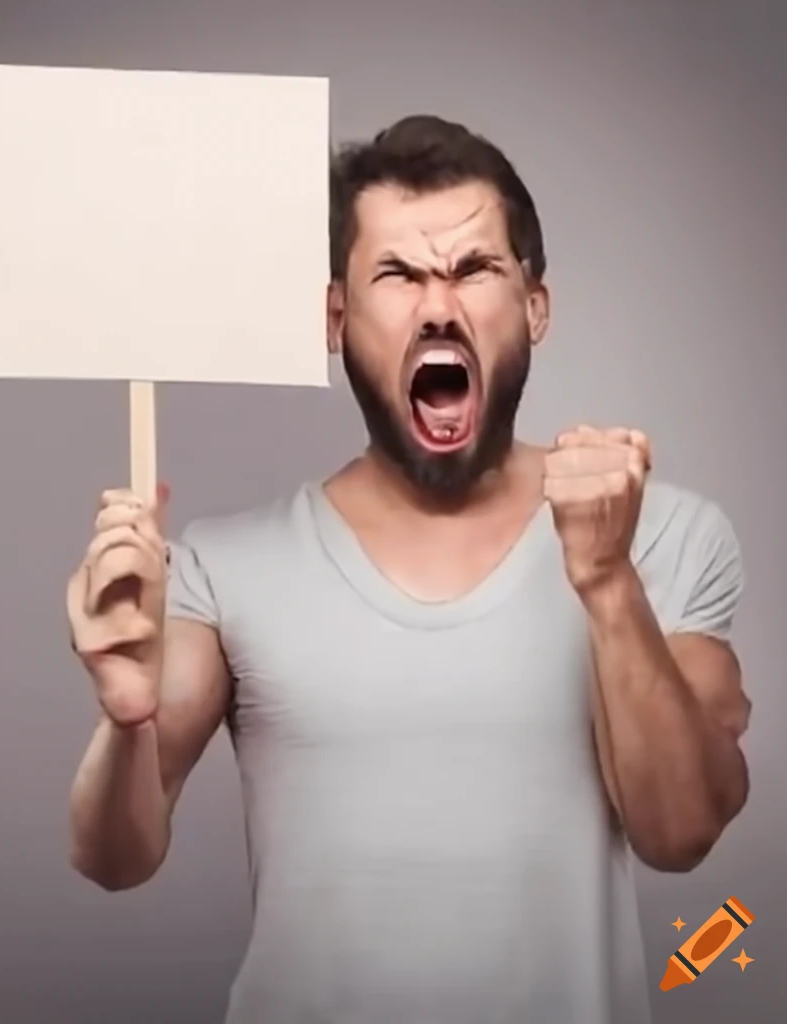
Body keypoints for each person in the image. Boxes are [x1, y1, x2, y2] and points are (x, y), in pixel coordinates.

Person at [64, 115, 752, 1023]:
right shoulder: (222, 568)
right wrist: (124, 720)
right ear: (334, 318)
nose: (438, 307)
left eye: (474, 270)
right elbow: (115, 860)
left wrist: (607, 584)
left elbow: (683, 835)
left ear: (536, 307)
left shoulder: (666, 535)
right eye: (396, 275)